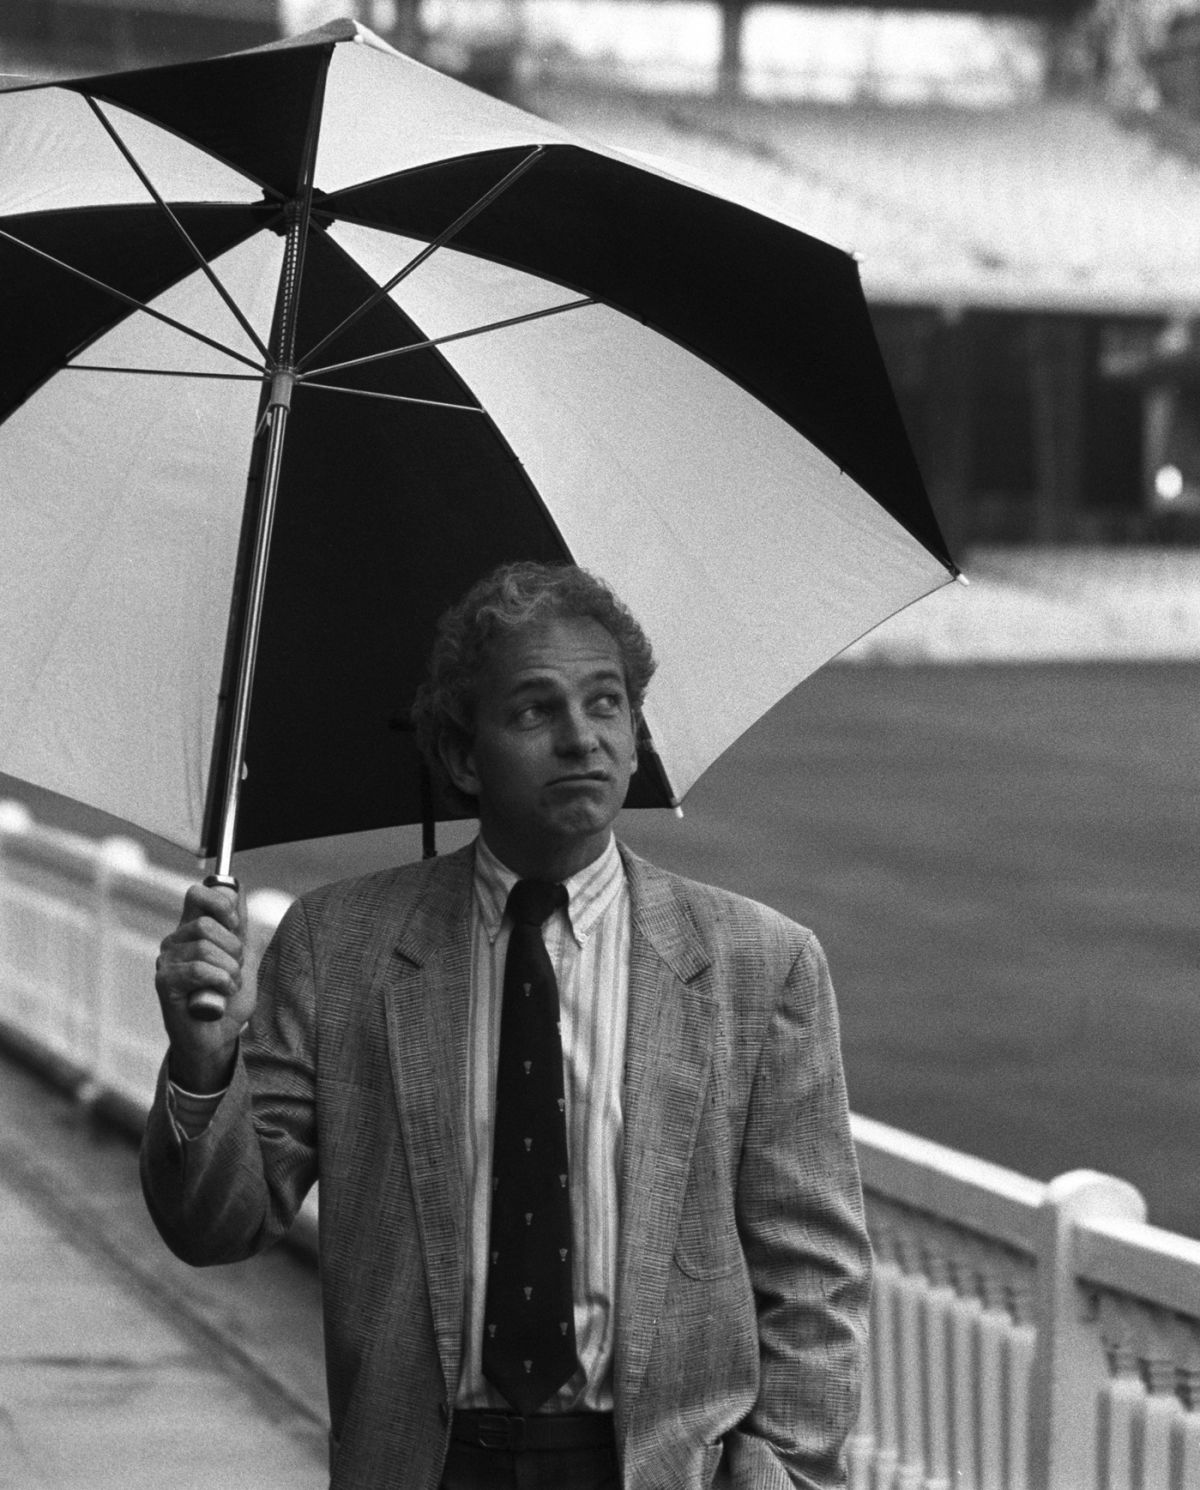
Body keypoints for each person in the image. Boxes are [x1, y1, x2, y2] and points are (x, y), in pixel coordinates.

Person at [143, 560, 872, 1490]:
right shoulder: (338, 948)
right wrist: (204, 1060)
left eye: (606, 705)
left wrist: (785, 1475)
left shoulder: (760, 966)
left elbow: (815, 1277)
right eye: (535, 711)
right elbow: (218, 1223)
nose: (582, 739)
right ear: (459, 754)